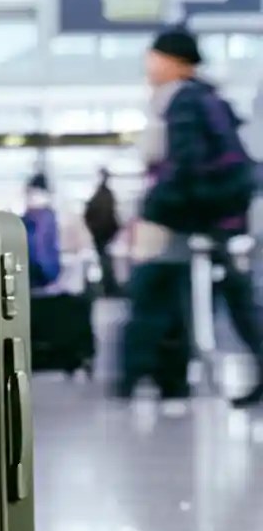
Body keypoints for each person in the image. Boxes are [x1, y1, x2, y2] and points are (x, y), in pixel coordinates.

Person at [116, 28, 258, 406]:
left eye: (154, 58)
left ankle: (136, 378)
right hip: (216, 214)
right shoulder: (205, 97)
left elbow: (185, 164)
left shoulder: (183, 100)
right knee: (233, 296)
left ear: (175, 61)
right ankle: (158, 378)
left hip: (196, 217)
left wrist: (155, 209)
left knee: (154, 289)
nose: (149, 66)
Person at [83, 168, 123, 297]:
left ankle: (108, 286)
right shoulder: (107, 195)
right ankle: (109, 286)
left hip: (100, 234)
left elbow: (91, 215)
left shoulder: (100, 195)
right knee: (106, 262)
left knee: (104, 262)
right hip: (106, 234)